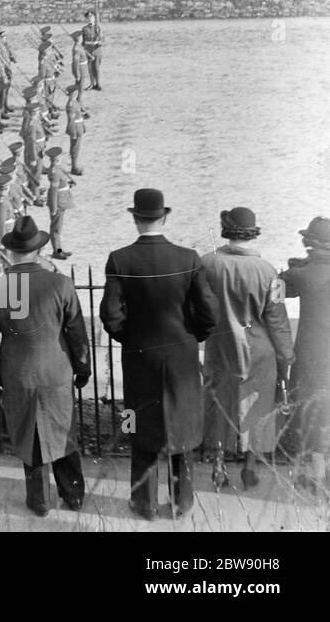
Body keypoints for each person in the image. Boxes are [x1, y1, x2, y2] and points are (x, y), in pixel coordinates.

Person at [100, 188, 218, 519]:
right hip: (181, 354)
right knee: (180, 424)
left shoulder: (120, 259)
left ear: (135, 219)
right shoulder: (188, 257)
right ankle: (183, 502)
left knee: (141, 426)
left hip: (141, 355)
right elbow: (209, 311)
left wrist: (130, 337)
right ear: (163, 217)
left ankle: (144, 503)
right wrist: (192, 336)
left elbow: (111, 315)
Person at [0, 216, 91, 516]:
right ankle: (73, 495)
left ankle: (39, 500)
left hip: (18, 372)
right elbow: (77, 332)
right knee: (62, 430)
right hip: (57, 369)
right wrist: (83, 368)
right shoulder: (60, 283)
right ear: (38, 251)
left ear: (10, 254)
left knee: (30, 434)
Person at [199, 207, 293, 490]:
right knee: (257, 406)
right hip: (259, 351)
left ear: (226, 231)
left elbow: (197, 309)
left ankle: (218, 466)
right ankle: (250, 467)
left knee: (218, 406)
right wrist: (286, 356)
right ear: (253, 233)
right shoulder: (270, 271)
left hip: (221, 348)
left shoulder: (206, 264)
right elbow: (278, 320)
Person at [280, 215, 330, 494]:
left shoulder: (302, 274)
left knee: (313, 412)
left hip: (312, 357)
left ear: (309, 244)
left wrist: (293, 268)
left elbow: (274, 293)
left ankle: (318, 475)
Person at [80, 10, 103, 90]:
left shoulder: (98, 28)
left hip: (97, 50)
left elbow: (101, 39)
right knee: (90, 68)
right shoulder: (84, 29)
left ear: (94, 18)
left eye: (91, 17)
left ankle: (98, 84)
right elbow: (83, 41)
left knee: (96, 68)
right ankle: (92, 84)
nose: (90, 19)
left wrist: (99, 42)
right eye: (88, 17)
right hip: (88, 50)